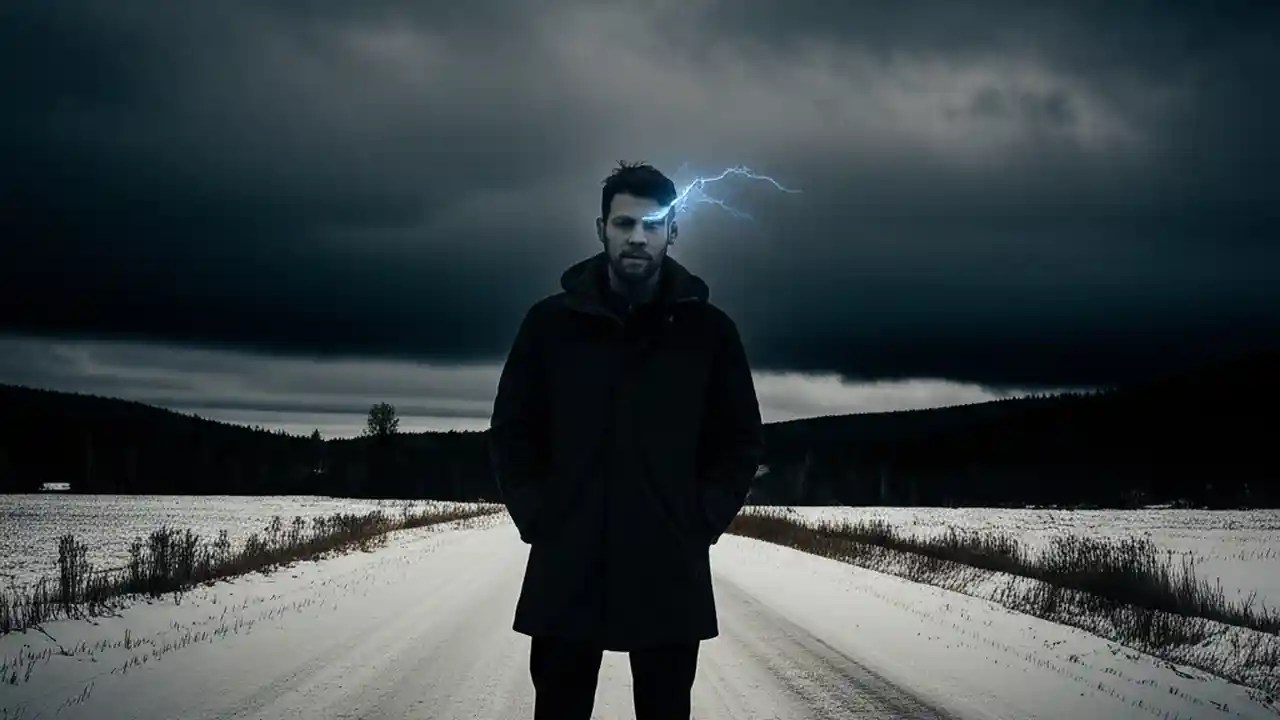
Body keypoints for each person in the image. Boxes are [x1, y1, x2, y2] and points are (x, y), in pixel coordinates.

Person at [488, 161, 764, 719]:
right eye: (624, 223)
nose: (637, 236)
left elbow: (739, 440)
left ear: (672, 232)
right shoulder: (549, 326)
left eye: (652, 224)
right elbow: (512, 429)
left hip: (667, 567)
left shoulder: (708, 332)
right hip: (569, 566)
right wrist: (540, 515)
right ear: (601, 229)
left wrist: (698, 518)